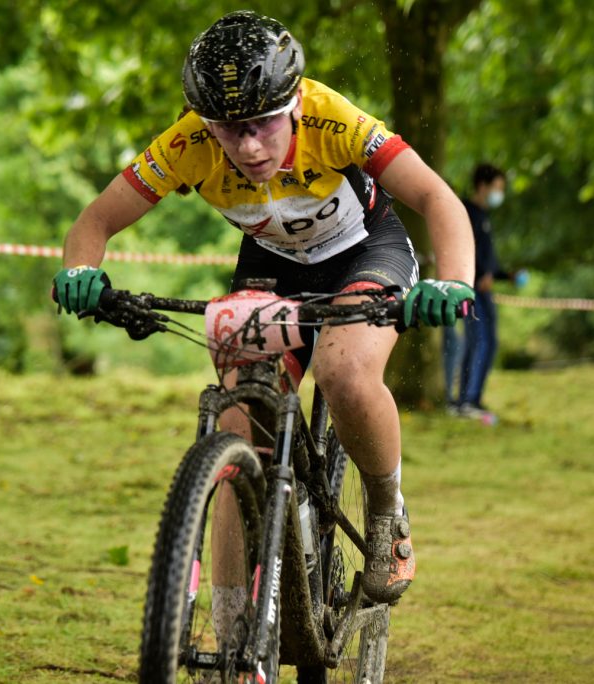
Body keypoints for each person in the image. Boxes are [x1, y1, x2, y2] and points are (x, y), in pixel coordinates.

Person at [52, 11, 475, 610]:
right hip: (274, 264)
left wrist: (453, 281)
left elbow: (436, 196)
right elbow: (95, 220)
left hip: (364, 252)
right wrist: (80, 271)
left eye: (264, 124)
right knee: (237, 424)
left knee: (343, 371)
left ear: (295, 102)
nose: (249, 146)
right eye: (229, 130)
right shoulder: (188, 144)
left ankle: (388, 513)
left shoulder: (334, 118)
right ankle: (230, 628)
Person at [455, 163, 513, 420]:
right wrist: (480, 275)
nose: (499, 194)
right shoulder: (467, 213)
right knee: (480, 341)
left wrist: (504, 275)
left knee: (486, 342)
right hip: (472, 289)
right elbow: (465, 249)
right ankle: (468, 400)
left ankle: (470, 399)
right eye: (497, 188)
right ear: (482, 186)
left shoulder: (484, 216)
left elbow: (489, 260)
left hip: (484, 290)